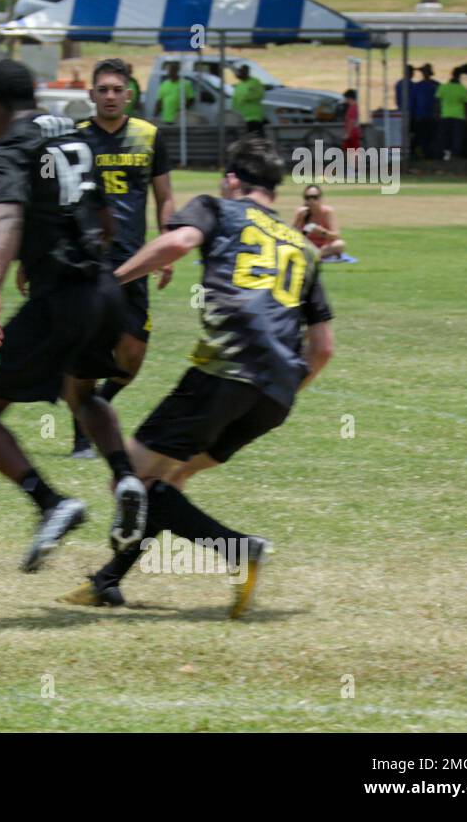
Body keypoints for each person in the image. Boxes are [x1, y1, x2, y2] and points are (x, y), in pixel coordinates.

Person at [59, 136, 335, 617]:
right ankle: (108, 582)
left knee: (130, 481)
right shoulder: (303, 248)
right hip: (274, 397)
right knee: (168, 483)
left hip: (224, 372)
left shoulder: (218, 209)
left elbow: (180, 240)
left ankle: (237, 549)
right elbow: (324, 348)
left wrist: (112, 279)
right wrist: (284, 388)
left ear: (232, 180)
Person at [0, 60, 147, 574]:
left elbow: (8, 214)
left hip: (60, 299)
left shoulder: (7, 150)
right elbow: (106, 217)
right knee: (81, 393)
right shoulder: (75, 135)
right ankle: (127, 478)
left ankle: (50, 502)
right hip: (106, 290)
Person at [68, 59, 175, 459]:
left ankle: (99, 405)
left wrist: (168, 245)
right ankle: (81, 436)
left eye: (117, 90)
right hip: (88, 261)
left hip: (137, 260)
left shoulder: (148, 136)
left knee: (133, 355)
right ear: (91, 94)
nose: (110, 96)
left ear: (129, 95)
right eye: (103, 89)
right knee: (89, 350)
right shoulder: (75, 139)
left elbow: (165, 197)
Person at [292, 184, 347, 261]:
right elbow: (292, 236)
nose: (311, 201)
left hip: (324, 247)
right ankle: (314, 254)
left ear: (320, 198)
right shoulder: (301, 212)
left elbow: (336, 236)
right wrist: (300, 219)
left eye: (315, 197)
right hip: (306, 245)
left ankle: (315, 254)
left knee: (340, 244)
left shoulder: (327, 212)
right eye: (308, 197)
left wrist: (322, 232)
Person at [436, 70, 467, 160]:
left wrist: (438, 114)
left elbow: (438, 102)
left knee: (444, 137)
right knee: (457, 138)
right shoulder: (462, 89)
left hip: (445, 115)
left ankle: (444, 154)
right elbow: (466, 104)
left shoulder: (443, 87)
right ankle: (455, 155)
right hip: (459, 116)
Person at [411, 64, 440, 159]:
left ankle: (430, 155)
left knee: (431, 137)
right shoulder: (418, 85)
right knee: (423, 137)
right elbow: (414, 102)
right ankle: (425, 155)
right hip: (422, 116)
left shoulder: (436, 85)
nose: (425, 73)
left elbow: (439, 101)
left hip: (431, 116)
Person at [232, 63, 267, 136]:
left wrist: (247, 97)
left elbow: (260, 94)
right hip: (242, 118)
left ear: (246, 72)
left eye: (241, 72)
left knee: (256, 138)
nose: (238, 74)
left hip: (254, 117)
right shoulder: (239, 85)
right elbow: (235, 99)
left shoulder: (255, 82)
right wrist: (234, 110)